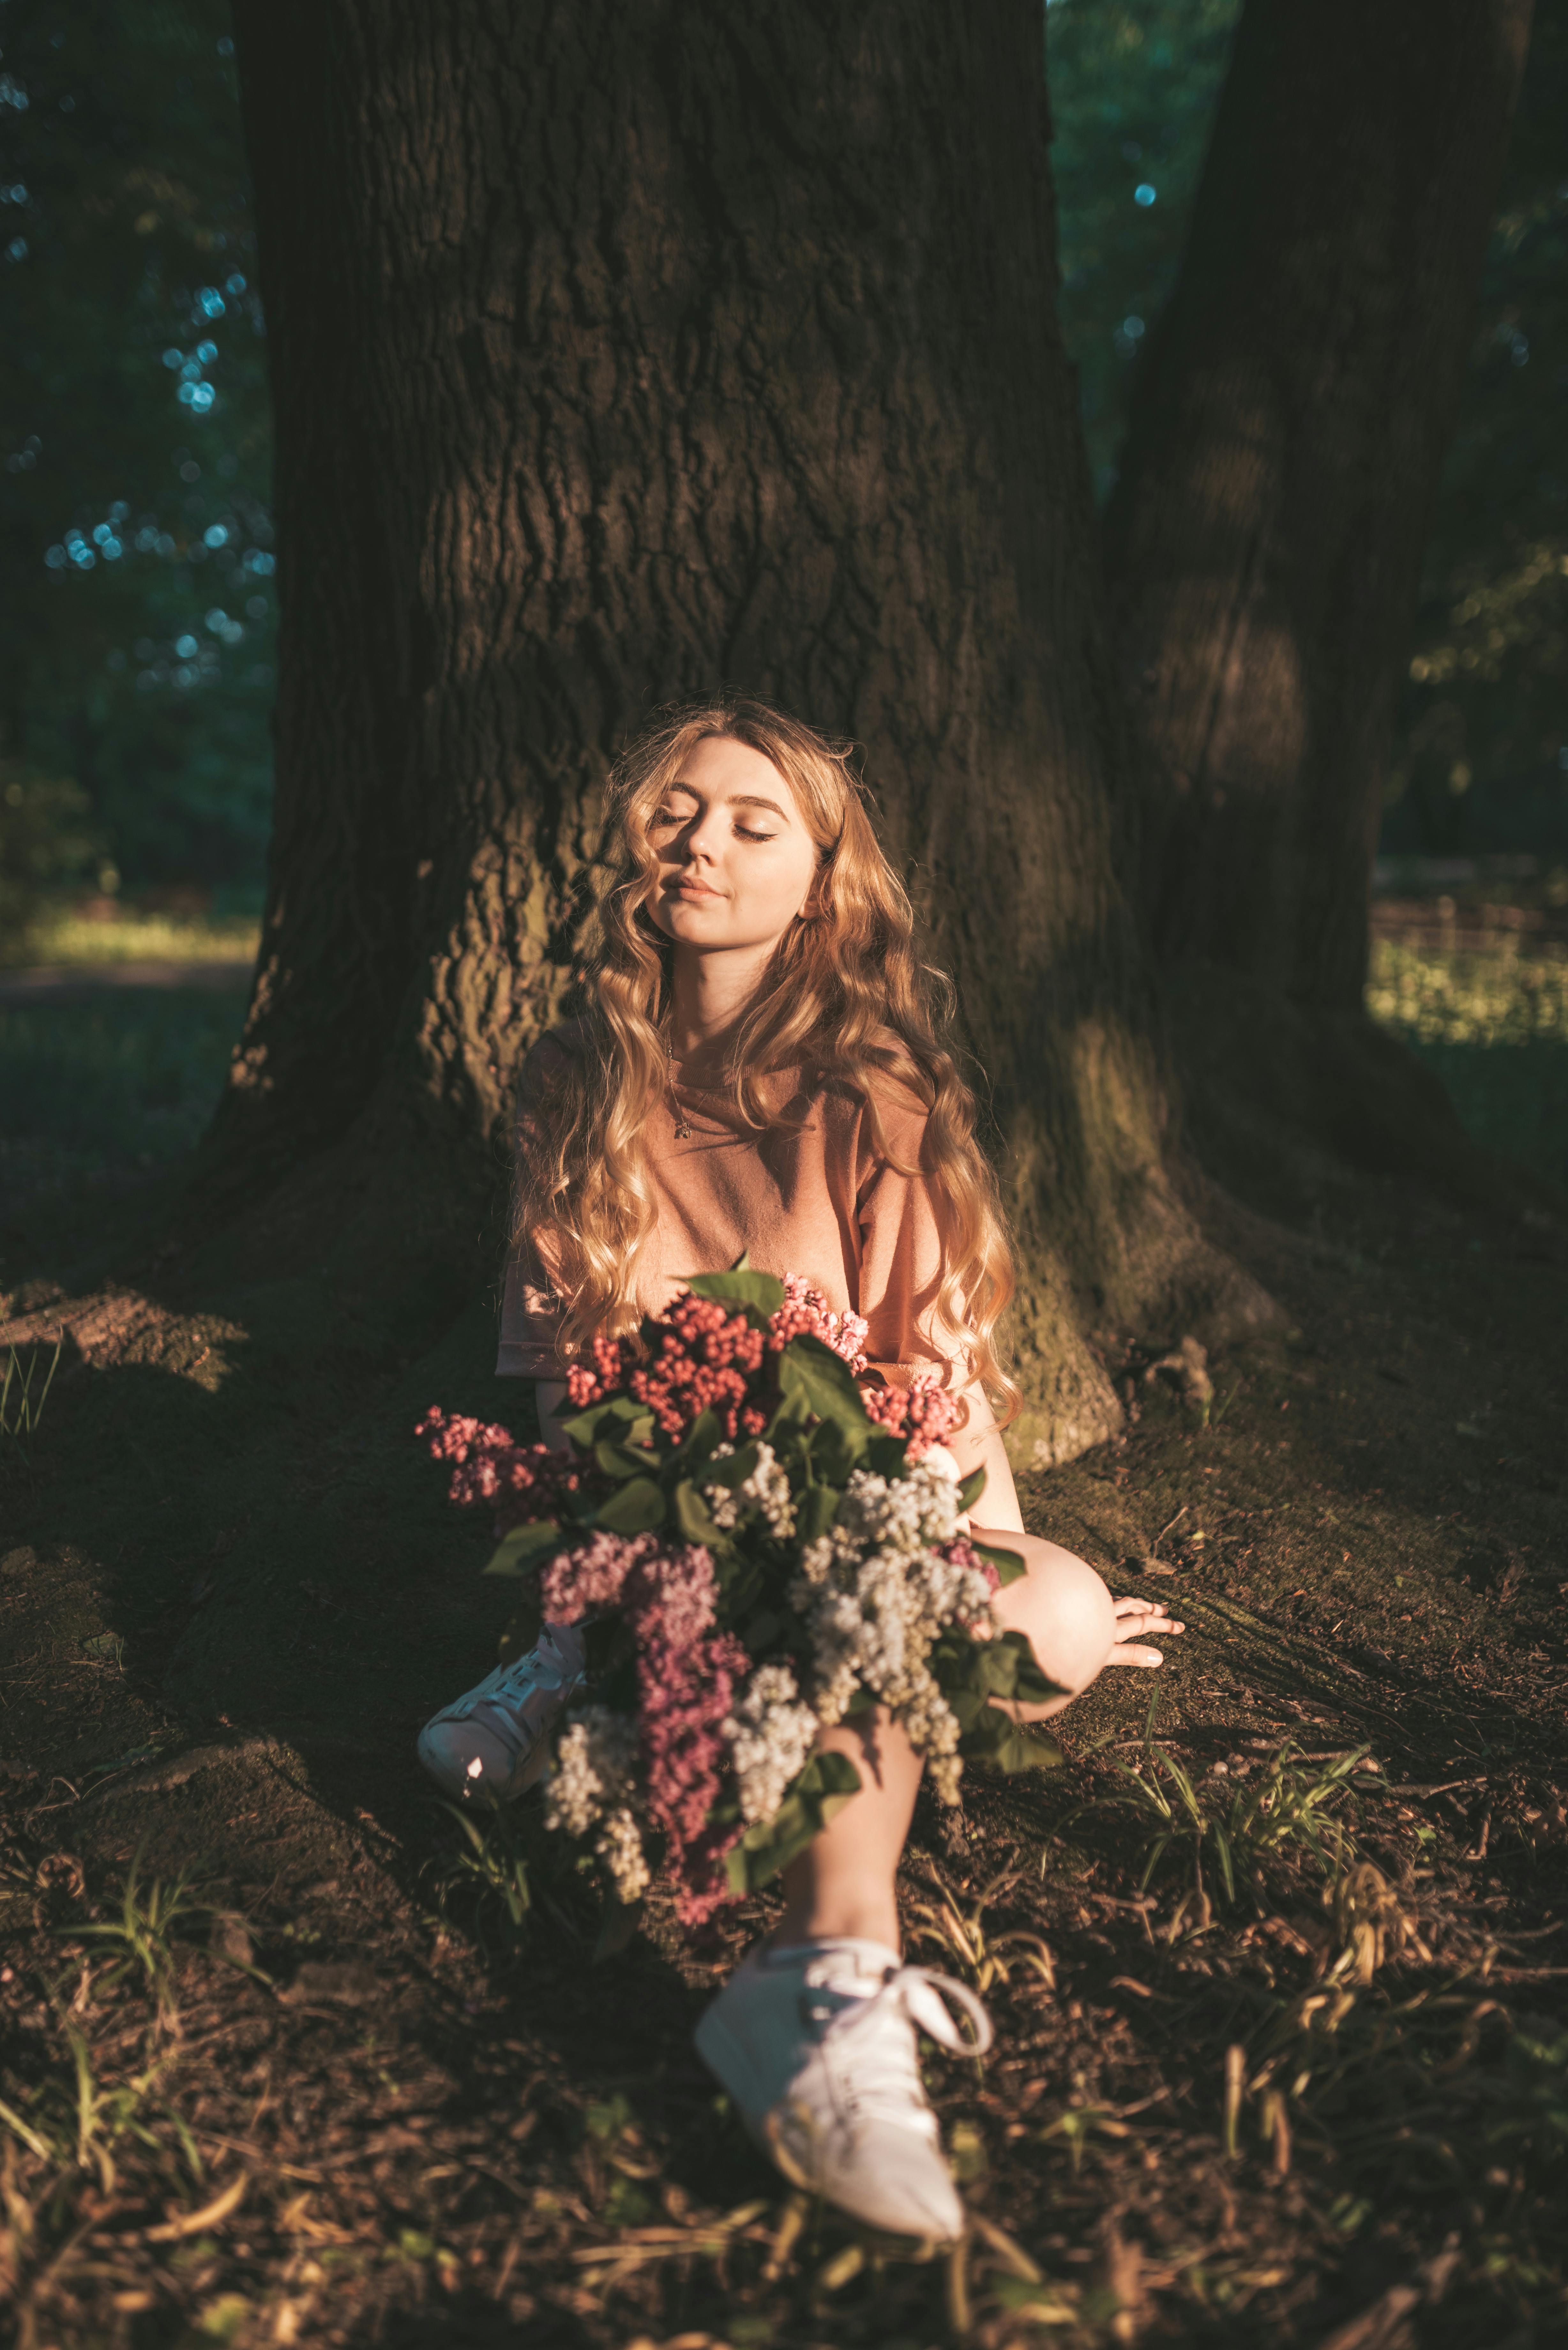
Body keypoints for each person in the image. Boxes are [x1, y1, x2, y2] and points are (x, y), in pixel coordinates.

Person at [417, 695, 1183, 2240]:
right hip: (660, 1526)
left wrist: (994, 1557)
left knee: (1052, 1620)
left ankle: (729, 1818)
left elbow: (938, 1389)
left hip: (853, 1506)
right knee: (794, 1607)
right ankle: (817, 1964)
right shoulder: (575, 1078)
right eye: (677, 813)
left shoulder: (871, 1089)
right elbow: (567, 1389)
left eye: (752, 823)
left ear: (822, 882)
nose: (702, 844)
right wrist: (582, 1600)